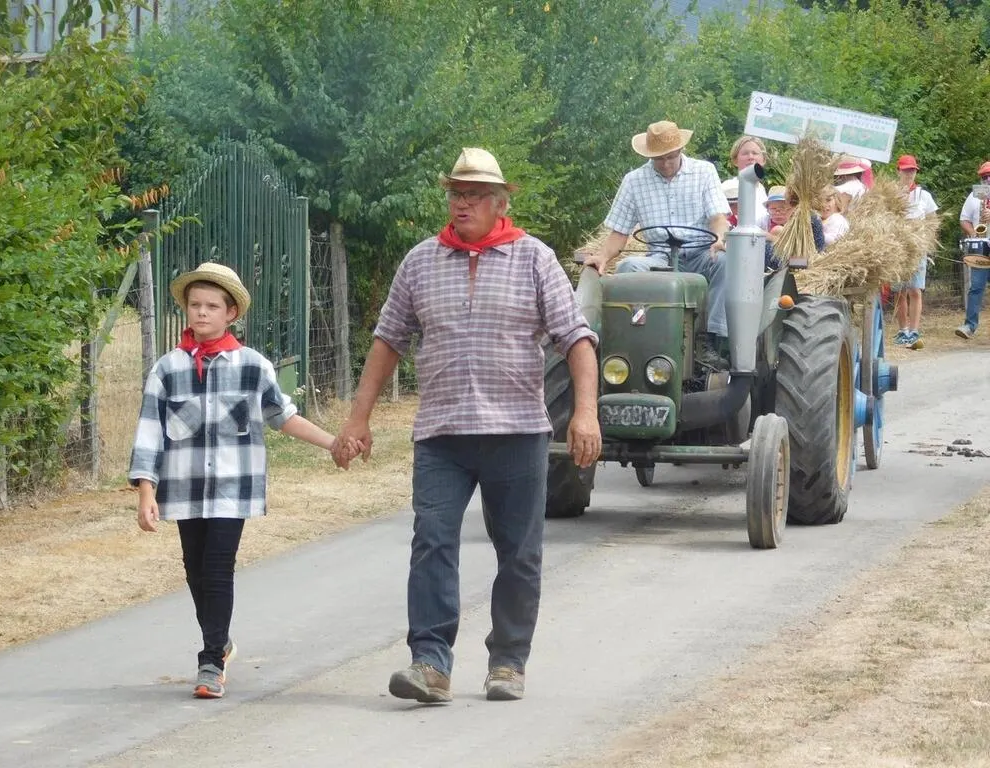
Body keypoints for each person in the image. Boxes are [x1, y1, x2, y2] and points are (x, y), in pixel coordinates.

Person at [331, 148, 600, 704]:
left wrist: (585, 411)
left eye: (475, 195)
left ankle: (508, 662)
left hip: (517, 431)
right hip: (442, 434)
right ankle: (429, 662)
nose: (463, 203)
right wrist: (358, 418)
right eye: (456, 193)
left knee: (519, 551)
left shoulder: (534, 259)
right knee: (431, 541)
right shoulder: (421, 261)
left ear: (500, 203)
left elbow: (576, 339)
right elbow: (388, 341)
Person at [128, 262, 360, 699]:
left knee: (217, 568)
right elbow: (149, 430)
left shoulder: (253, 367)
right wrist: (146, 490)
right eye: (194, 305)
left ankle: (211, 659)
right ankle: (223, 640)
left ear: (231, 312)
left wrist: (332, 444)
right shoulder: (168, 369)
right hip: (185, 488)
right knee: (195, 570)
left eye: (211, 306)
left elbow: (282, 417)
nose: (201, 313)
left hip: (233, 490)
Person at [583, 120, 730, 358]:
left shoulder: (704, 172)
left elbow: (717, 217)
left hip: (700, 253)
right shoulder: (634, 181)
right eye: (659, 158)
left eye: (671, 157)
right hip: (659, 258)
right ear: (650, 156)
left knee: (726, 262)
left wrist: (719, 238)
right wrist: (601, 257)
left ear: (681, 150)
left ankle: (714, 340)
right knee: (627, 267)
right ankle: (633, 338)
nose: (666, 163)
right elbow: (619, 233)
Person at [892, 155, 938, 349]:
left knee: (915, 289)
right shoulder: (891, 194)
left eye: (912, 170)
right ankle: (903, 330)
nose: (909, 174)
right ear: (898, 171)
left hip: (917, 246)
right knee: (899, 291)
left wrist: (926, 239)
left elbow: (933, 220)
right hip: (897, 246)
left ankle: (914, 329)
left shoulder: (923, 195)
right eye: (906, 170)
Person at [956, 160, 990, 339]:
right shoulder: (975, 195)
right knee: (976, 287)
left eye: (989, 176)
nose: (987, 179)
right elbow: (964, 218)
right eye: (984, 177)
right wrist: (972, 232)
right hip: (981, 246)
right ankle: (969, 326)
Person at [725, 135, 768, 225]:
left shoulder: (761, 189)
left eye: (755, 153)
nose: (750, 157)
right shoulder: (728, 187)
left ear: (763, 160)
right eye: (745, 153)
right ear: (735, 160)